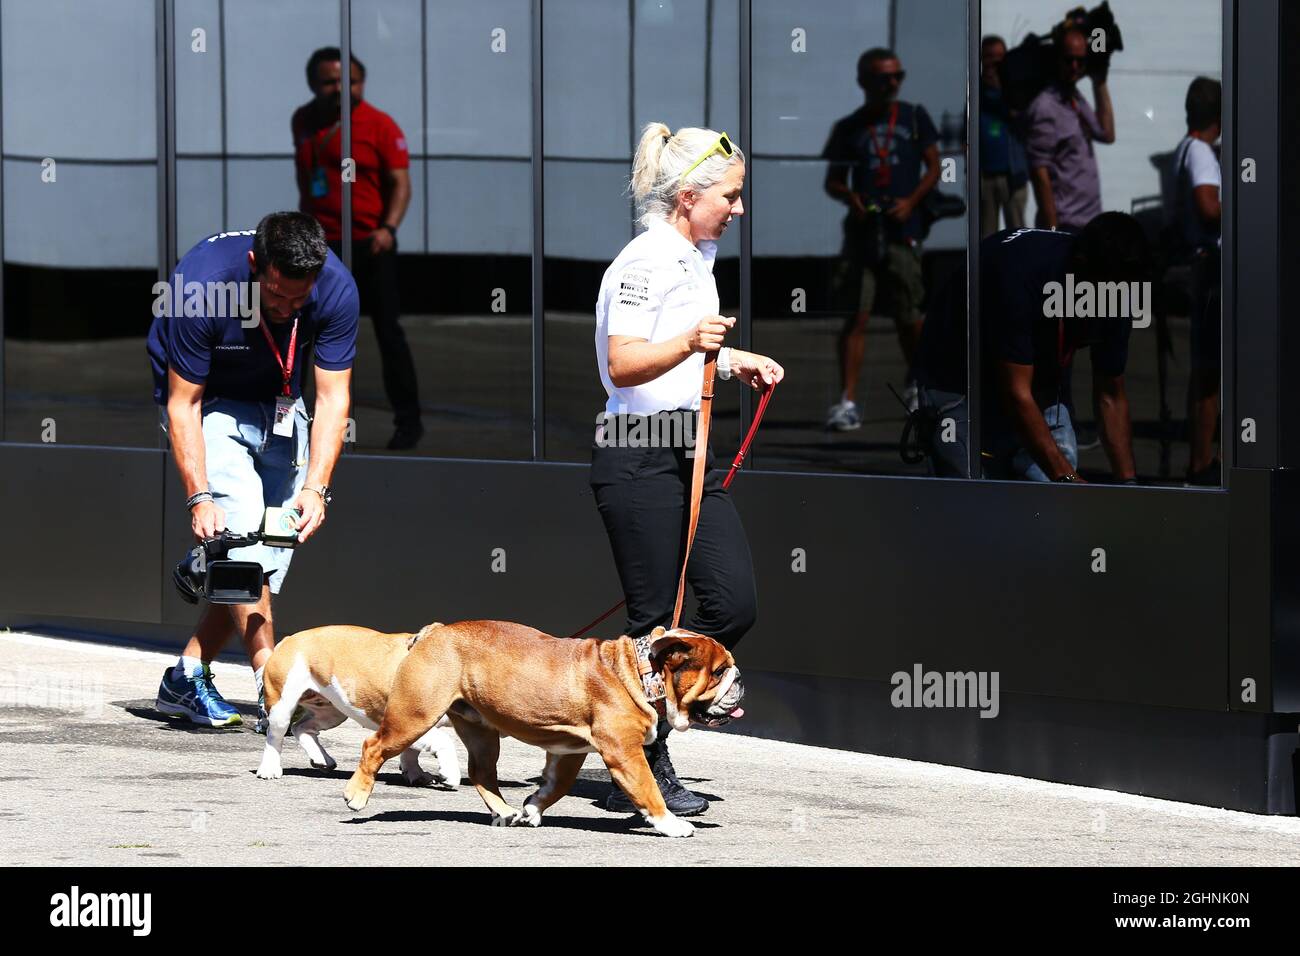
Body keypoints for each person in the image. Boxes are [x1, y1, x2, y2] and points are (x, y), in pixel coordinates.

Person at [591, 123, 784, 815]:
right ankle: (636, 768)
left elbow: (684, 355)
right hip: (637, 452)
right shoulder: (646, 261)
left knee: (733, 602)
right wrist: (692, 342)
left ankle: (641, 712)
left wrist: (734, 361)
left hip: (685, 450)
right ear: (689, 196)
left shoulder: (694, 259)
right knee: (652, 622)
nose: (738, 209)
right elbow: (623, 363)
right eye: (729, 197)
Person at [147, 211, 358, 728]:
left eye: (298, 301)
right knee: (242, 538)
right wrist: (199, 496)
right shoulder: (202, 286)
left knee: (264, 552)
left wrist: (317, 488)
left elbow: (333, 398)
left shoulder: (335, 289)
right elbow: (183, 404)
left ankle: (186, 673)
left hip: (283, 405)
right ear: (253, 267)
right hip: (211, 402)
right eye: (276, 297)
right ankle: (276, 689)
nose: (288, 310)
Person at [913, 213, 1153, 482]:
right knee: (970, 499)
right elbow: (1017, 395)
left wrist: (1128, 486)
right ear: (1081, 268)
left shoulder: (1117, 286)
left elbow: (1111, 395)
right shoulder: (1018, 276)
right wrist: (1069, 480)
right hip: (956, 376)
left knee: (1052, 498)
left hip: (1035, 376)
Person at [292, 47, 421, 451]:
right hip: (321, 245)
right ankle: (299, 419)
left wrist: (388, 228)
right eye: (330, 81)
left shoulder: (379, 125)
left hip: (372, 244)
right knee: (305, 331)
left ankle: (408, 421)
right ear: (315, 84)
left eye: (350, 81)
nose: (341, 89)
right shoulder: (304, 120)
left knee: (387, 332)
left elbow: (400, 183)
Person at [822, 47, 940, 429]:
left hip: (902, 229)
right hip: (863, 232)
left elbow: (935, 165)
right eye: (882, 78)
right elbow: (834, 180)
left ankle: (922, 386)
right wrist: (850, 196)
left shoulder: (913, 117)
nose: (891, 84)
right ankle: (848, 401)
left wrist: (912, 202)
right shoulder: (850, 126)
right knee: (857, 314)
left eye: (897, 76)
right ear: (864, 82)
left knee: (910, 314)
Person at [1169, 77, 1222, 486]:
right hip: (1210, 268)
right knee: (1210, 375)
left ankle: (1200, 461)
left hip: (1195, 265)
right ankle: (1202, 465)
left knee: (1203, 373)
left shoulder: (1185, 149)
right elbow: (1208, 206)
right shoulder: (1202, 152)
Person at [1025, 27, 1115, 233]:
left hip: (1090, 221)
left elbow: (1107, 134)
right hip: (1067, 225)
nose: (1075, 67)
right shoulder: (1046, 107)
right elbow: (1039, 173)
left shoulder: (1075, 99)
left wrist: (1099, 81)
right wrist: (1053, 231)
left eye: (1081, 61)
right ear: (1057, 59)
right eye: (1068, 60)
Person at [979, 35, 1029, 238]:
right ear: (981, 59)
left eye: (1000, 57)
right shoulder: (972, 91)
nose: (994, 62)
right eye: (989, 56)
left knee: (1017, 236)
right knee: (984, 238)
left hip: (1013, 175)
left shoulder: (1019, 90)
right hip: (982, 178)